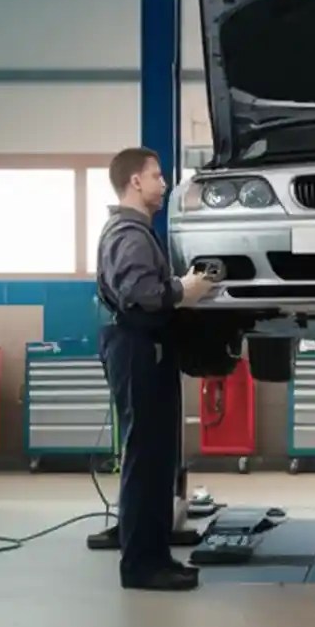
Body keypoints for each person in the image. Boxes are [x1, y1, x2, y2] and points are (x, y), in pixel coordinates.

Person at [95, 146, 215, 591]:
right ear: (135, 182)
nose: (164, 184)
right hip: (137, 348)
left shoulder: (138, 231)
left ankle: (155, 555)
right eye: (157, 176)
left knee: (156, 456)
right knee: (146, 458)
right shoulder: (129, 234)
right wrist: (187, 288)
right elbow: (142, 293)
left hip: (145, 348)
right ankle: (142, 566)